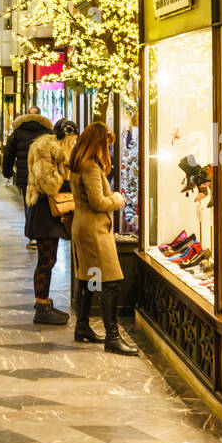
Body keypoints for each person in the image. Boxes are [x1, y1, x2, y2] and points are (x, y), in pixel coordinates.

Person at [69, 120, 138, 354]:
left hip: (84, 226)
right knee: (111, 281)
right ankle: (112, 337)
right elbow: (98, 202)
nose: (107, 150)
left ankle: (82, 326)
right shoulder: (90, 166)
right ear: (97, 143)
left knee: (89, 278)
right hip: (94, 230)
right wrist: (116, 201)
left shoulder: (80, 162)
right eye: (106, 145)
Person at [25, 118, 79, 325]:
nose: (73, 144)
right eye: (72, 140)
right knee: (46, 260)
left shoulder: (58, 151)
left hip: (50, 213)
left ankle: (45, 301)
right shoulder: (44, 150)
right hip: (44, 212)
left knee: (50, 259)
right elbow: (48, 184)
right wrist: (67, 174)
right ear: (64, 137)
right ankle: (41, 306)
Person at [3, 105, 53, 249]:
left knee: (29, 204)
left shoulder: (18, 133)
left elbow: (8, 153)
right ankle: (41, 233)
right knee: (42, 205)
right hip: (43, 175)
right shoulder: (47, 132)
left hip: (25, 176)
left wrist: (7, 172)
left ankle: (32, 236)